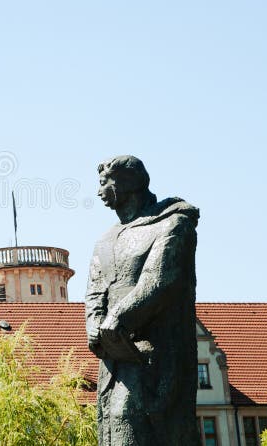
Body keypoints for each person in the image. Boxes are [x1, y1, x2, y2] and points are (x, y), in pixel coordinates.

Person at [85, 155, 200, 445]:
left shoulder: (173, 222)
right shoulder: (105, 241)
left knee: (132, 419)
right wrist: (95, 326)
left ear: (127, 183)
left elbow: (159, 280)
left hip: (155, 351)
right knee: (110, 421)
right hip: (115, 352)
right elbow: (95, 290)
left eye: (104, 184)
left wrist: (118, 318)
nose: (99, 192)